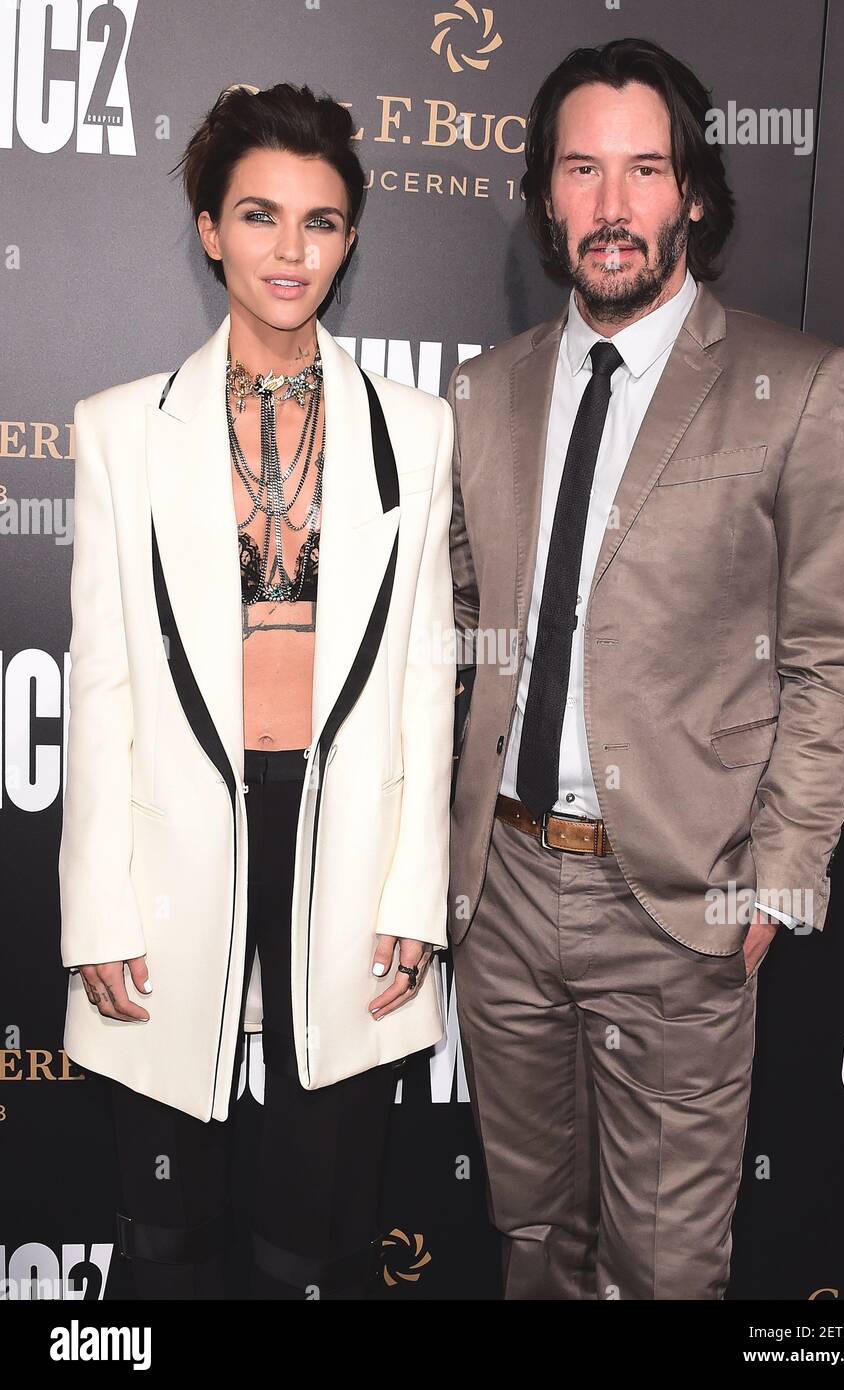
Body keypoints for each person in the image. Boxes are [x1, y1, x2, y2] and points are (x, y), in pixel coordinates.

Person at [446, 38, 844, 1299]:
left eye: (644, 169)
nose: (611, 203)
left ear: (691, 191)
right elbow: (464, 620)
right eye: (581, 169)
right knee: (532, 1239)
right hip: (505, 891)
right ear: (545, 195)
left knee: (662, 1268)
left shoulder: (802, 390)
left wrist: (782, 876)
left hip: (678, 906)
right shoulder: (486, 392)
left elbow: (830, 664)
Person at [58, 82, 456, 1299]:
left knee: (313, 1240)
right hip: (172, 855)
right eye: (260, 216)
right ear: (208, 226)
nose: (291, 251)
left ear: (349, 239)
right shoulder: (122, 429)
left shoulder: (417, 429)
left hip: (340, 853)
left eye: (321, 222)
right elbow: (104, 682)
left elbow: (427, 675)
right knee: (168, 1237)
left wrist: (413, 890)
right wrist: (97, 909)